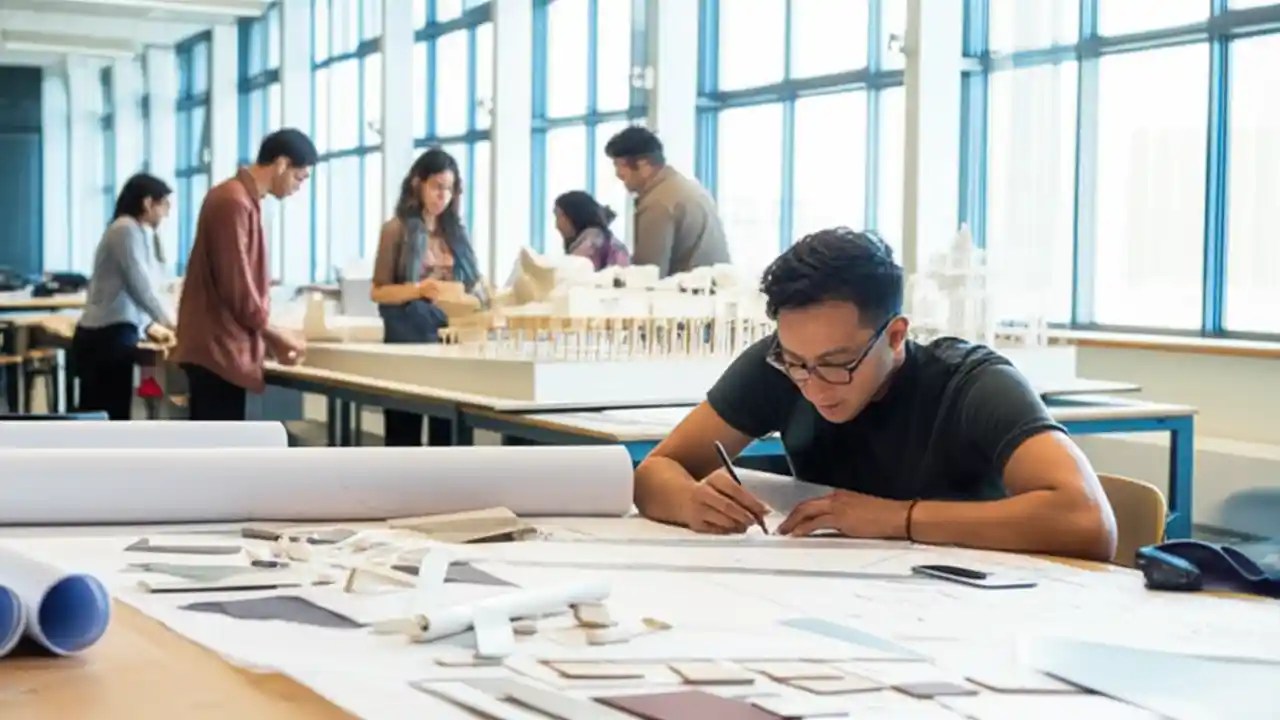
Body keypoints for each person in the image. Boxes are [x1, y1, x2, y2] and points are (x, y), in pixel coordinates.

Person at [633, 228, 1118, 562]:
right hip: (837, 590)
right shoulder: (781, 364)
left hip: (969, 601)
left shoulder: (972, 384)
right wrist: (690, 502)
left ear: (894, 336)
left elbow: (1088, 521)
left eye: (838, 363)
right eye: (797, 362)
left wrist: (899, 518)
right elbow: (655, 472)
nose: (814, 384)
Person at [172, 128, 315, 421]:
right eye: (299, 177)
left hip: (220, 346)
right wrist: (273, 333)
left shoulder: (242, 200)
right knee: (219, 453)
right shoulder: (232, 201)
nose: (298, 187)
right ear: (281, 164)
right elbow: (236, 286)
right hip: (216, 350)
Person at [371, 147, 488, 446]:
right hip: (409, 340)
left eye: (449, 189)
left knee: (447, 431)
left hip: (450, 344)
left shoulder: (457, 234)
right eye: (437, 187)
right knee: (403, 430)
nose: (443, 196)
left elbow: (474, 282)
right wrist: (418, 290)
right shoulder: (396, 230)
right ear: (417, 184)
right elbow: (379, 291)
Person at [72, 173, 176, 420]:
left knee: (107, 415)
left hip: (107, 335)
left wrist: (151, 324)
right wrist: (173, 324)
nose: (166, 214)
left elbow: (142, 287)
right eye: (164, 206)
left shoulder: (131, 230)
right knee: (107, 417)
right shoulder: (125, 229)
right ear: (148, 202)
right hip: (106, 338)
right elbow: (141, 286)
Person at [603, 126, 729, 277]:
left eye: (620, 166)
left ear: (644, 165)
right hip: (714, 291)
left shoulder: (659, 202)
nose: (618, 174)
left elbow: (648, 274)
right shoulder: (687, 187)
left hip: (686, 295)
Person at [554, 190, 631, 270]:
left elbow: (573, 277)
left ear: (574, 215)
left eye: (559, 216)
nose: (557, 225)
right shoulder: (605, 239)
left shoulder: (589, 247)